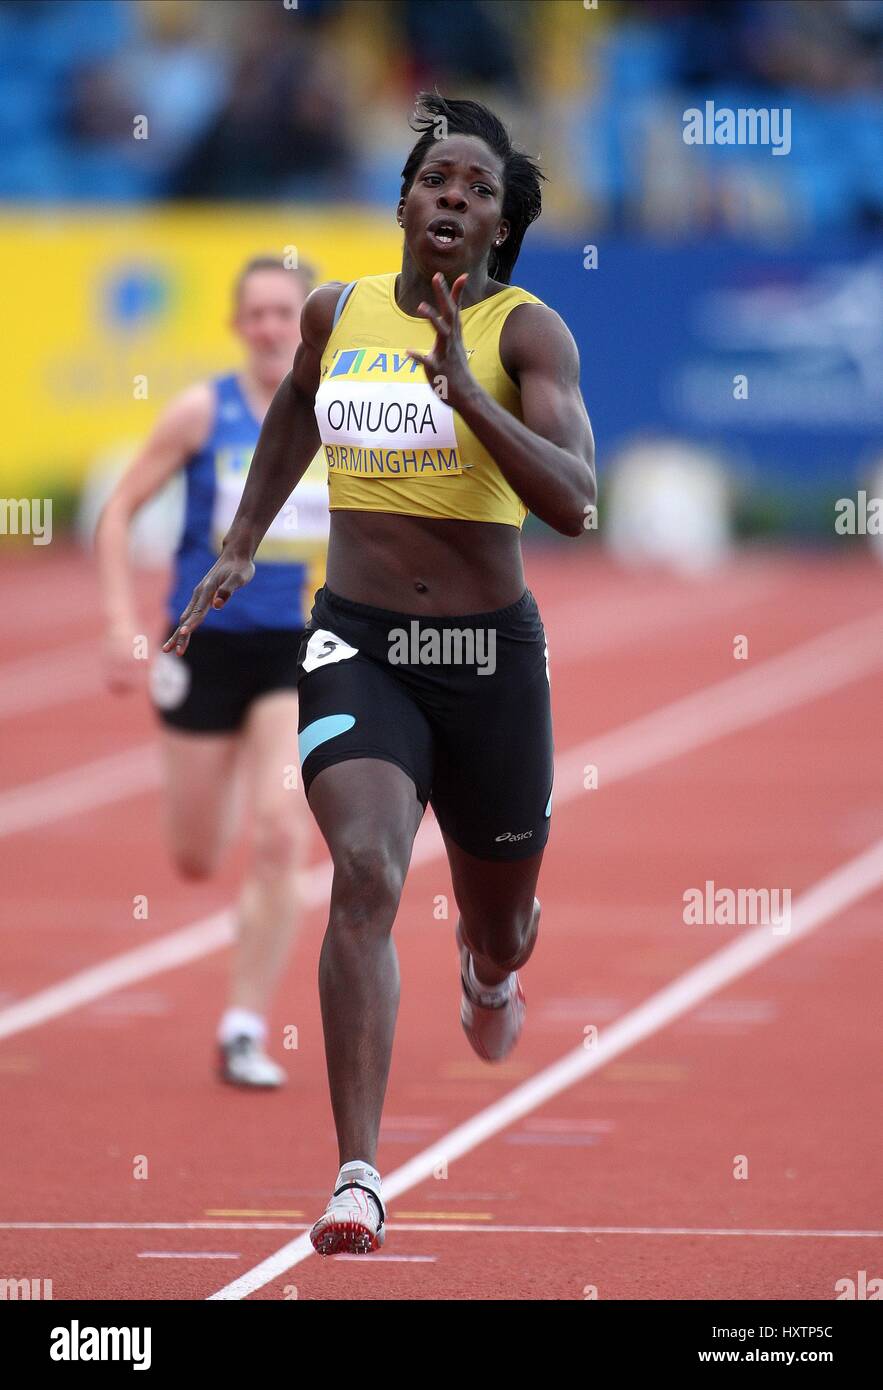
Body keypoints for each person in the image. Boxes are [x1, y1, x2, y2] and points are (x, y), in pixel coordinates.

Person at [164, 95, 595, 1251]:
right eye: (436, 178)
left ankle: (491, 968)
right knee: (363, 867)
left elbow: (576, 501)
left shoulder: (523, 334)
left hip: (486, 654)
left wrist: (467, 393)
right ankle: (359, 1172)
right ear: (403, 203)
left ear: (499, 228)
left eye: (478, 188)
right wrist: (244, 538)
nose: (453, 195)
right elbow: (298, 407)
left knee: (498, 925)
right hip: (358, 642)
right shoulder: (337, 312)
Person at [96, 256, 328, 1088]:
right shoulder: (203, 412)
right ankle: (226, 778)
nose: (270, 328)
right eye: (257, 313)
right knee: (195, 857)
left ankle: (242, 1025)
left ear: (312, 327)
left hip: (296, 647)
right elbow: (118, 510)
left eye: (285, 314)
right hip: (203, 647)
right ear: (237, 324)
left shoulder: (338, 416)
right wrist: (122, 625)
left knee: (278, 833)